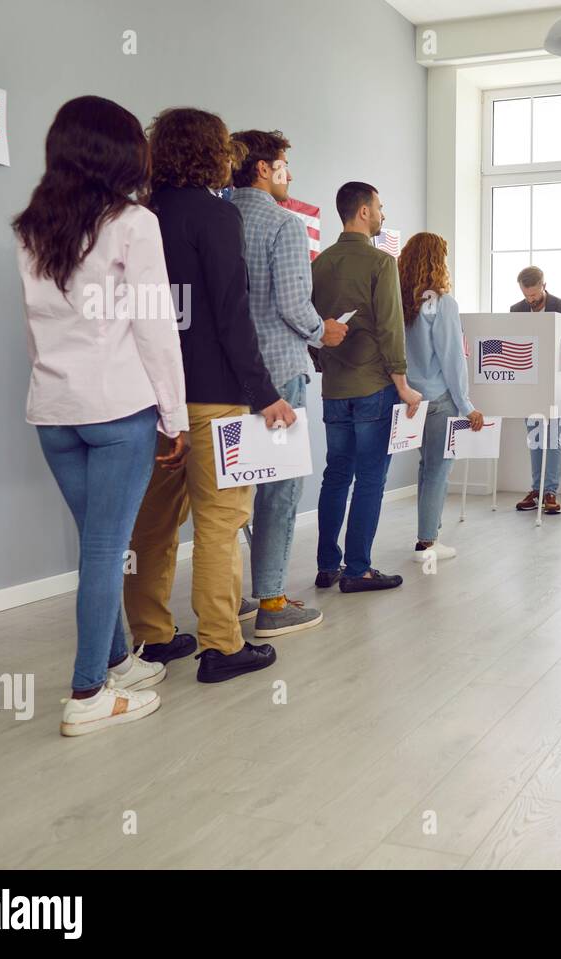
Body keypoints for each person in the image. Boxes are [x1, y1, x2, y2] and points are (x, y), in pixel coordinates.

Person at [14, 96, 186, 733]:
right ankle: (88, 695)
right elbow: (155, 326)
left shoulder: (31, 226)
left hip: (54, 412)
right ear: (120, 152)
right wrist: (176, 416)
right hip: (117, 410)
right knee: (107, 551)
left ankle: (117, 659)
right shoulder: (134, 222)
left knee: (97, 546)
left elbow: (34, 329)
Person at [123, 107, 295, 685]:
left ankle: (152, 636)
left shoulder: (137, 214)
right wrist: (265, 391)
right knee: (222, 521)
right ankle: (222, 645)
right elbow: (230, 313)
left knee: (152, 523)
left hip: (150, 399)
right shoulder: (217, 216)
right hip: (214, 394)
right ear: (211, 152)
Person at [230, 130, 347, 633]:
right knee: (280, 488)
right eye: (283, 166)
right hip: (278, 373)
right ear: (262, 168)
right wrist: (326, 332)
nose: (289, 175)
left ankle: (229, 597)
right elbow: (293, 306)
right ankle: (273, 603)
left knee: (231, 490)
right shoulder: (283, 224)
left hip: (222, 377)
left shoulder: (217, 218)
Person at [310, 181, 422, 591]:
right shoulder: (381, 262)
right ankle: (357, 570)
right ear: (363, 212)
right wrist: (404, 385)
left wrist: (323, 362)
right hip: (374, 386)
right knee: (371, 479)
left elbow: (310, 326)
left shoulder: (319, 264)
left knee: (336, 474)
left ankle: (327, 566)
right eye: (379, 207)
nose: (382, 214)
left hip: (334, 389)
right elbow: (391, 328)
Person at [399, 233, 484, 562]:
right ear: (438, 261)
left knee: (425, 468)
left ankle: (428, 533)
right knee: (437, 470)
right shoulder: (442, 303)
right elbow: (452, 358)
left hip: (408, 400)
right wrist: (467, 405)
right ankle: (427, 543)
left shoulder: (401, 300)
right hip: (439, 400)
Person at [510, 266, 561, 515]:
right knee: (535, 439)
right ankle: (536, 490)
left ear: (544, 285)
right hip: (529, 385)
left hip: (556, 383)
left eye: (534, 295)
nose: (531, 300)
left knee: (554, 438)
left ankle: (550, 492)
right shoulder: (516, 310)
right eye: (527, 296)